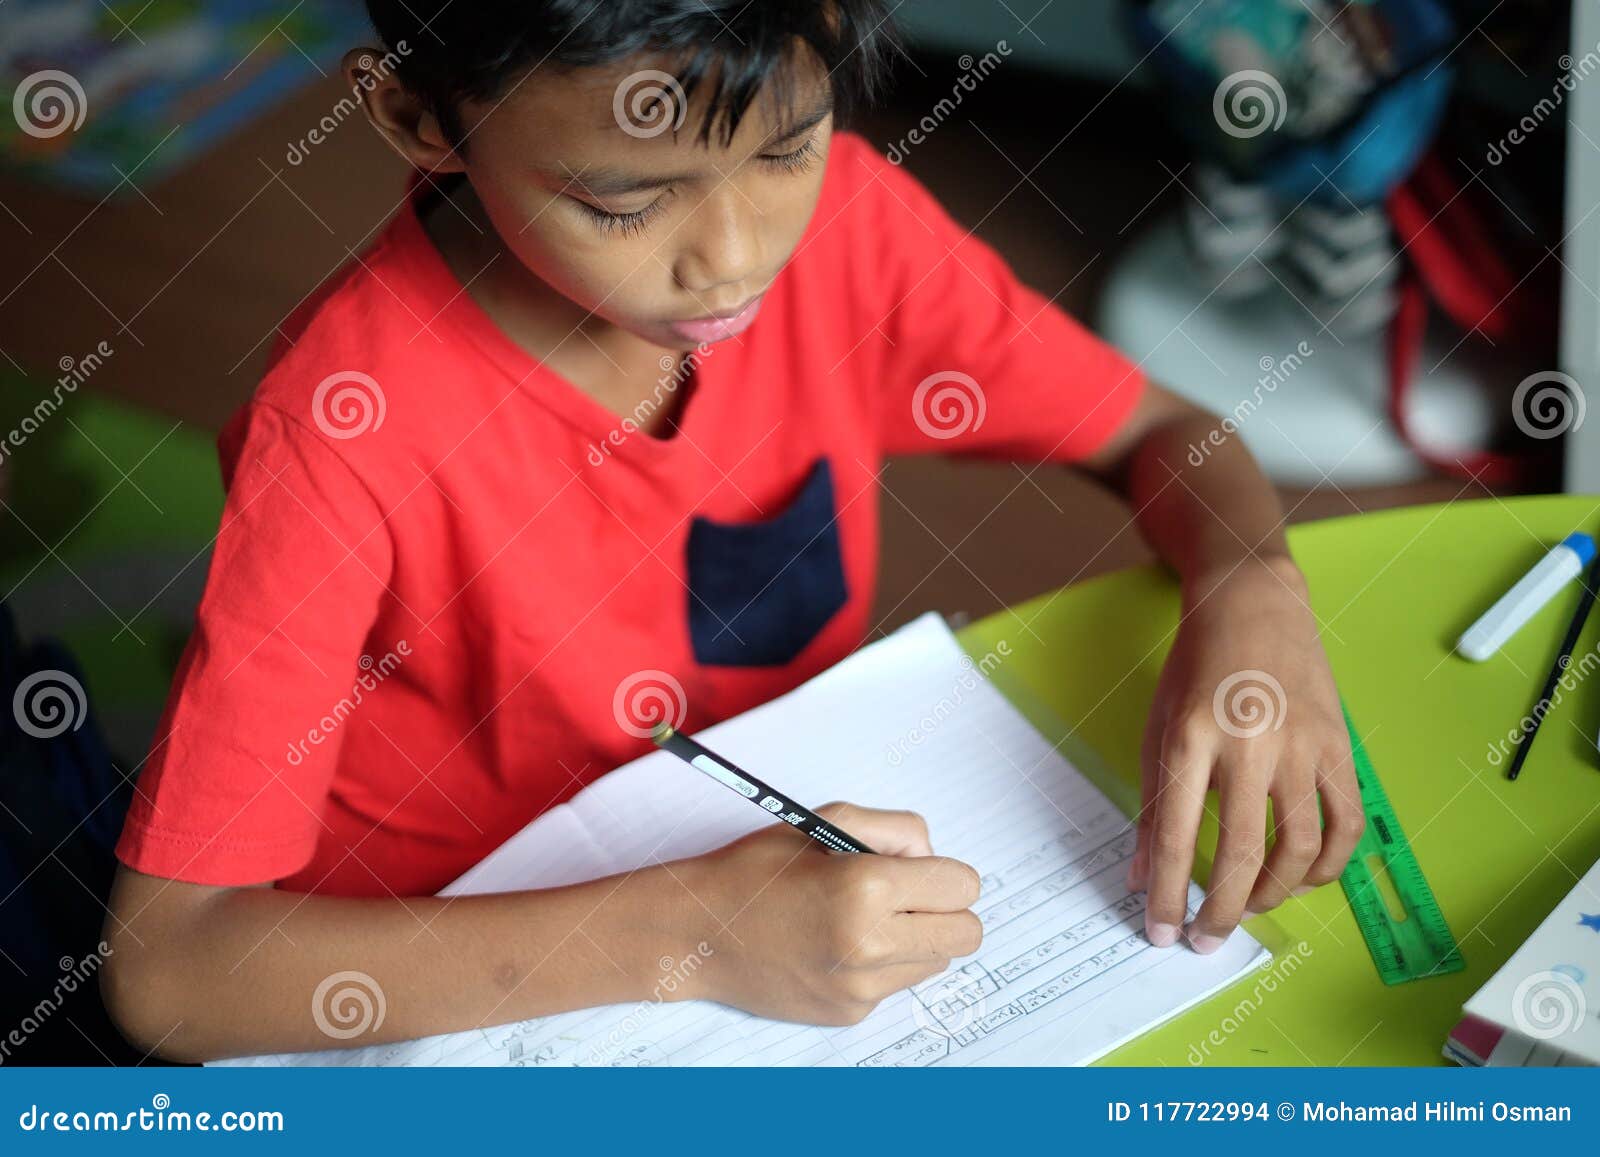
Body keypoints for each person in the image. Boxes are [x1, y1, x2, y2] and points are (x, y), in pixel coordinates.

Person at [101, 0, 1362, 1061]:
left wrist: (1252, 587)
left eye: (785, 150)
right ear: (417, 117)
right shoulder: (342, 427)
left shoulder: (852, 230)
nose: (734, 260)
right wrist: (690, 934)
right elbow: (173, 968)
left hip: (769, 867)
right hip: (459, 957)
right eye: (623, 201)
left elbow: (1162, 431)